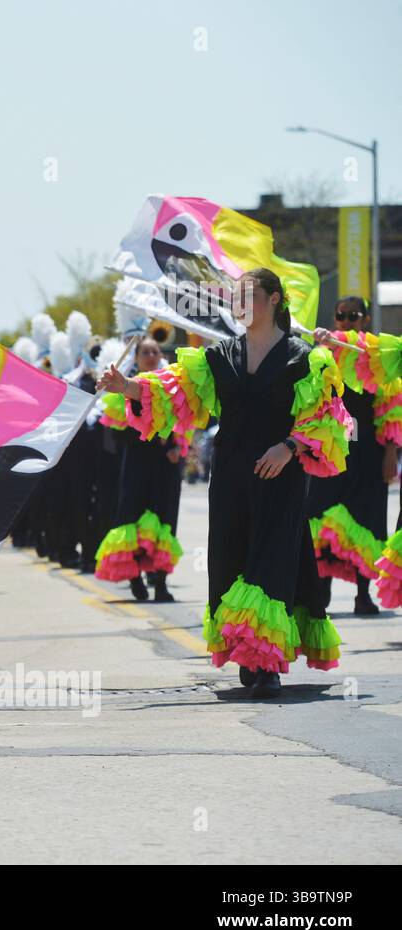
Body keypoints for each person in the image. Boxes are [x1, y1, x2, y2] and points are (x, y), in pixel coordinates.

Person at [99, 269, 350, 698]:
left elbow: (327, 417)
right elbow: (175, 389)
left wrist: (288, 446)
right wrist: (128, 387)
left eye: (248, 294)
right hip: (231, 477)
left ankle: (268, 663)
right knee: (231, 560)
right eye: (236, 295)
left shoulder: (304, 357)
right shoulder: (220, 356)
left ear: (274, 300)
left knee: (270, 563)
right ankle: (247, 648)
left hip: (279, 478)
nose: (239, 302)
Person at [300, 297, 397, 616]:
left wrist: (390, 454)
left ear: (366, 320)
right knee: (320, 517)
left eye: (353, 316)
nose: (346, 321)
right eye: (341, 316)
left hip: (368, 452)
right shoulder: (324, 351)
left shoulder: (376, 355)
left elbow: (390, 408)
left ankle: (363, 594)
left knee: (367, 520)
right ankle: (321, 593)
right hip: (331, 450)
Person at [95, 338, 186, 602]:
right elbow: (115, 432)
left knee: (165, 519)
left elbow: (185, 424)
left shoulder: (171, 386)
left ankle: (160, 582)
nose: (150, 355)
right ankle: (134, 577)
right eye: (144, 351)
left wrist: (176, 446)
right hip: (136, 464)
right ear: (135, 357)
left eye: (154, 351)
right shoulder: (125, 386)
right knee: (131, 517)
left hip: (165, 467)